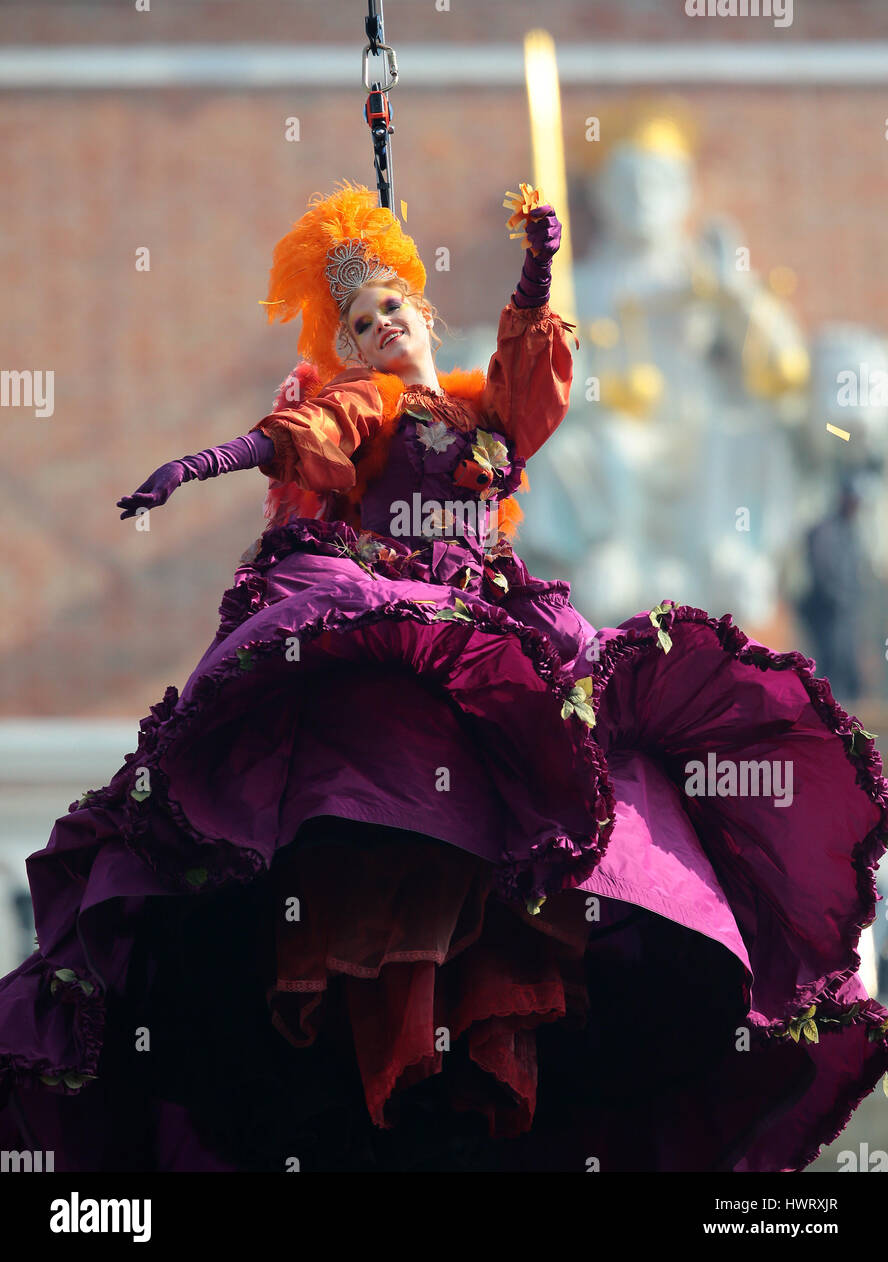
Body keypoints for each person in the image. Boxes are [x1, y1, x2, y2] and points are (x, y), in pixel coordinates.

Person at [0, 180, 886, 1174]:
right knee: (405, 791)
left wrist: (540, 259)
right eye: (361, 321)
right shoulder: (360, 409)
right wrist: (192, 467)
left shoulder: (477, 407)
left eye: (393, 310)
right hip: (402, 612)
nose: (380, 328)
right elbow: (289, 444)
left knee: (574, 775)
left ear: (425, 314)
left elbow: (529, 374)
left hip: (496, 612)